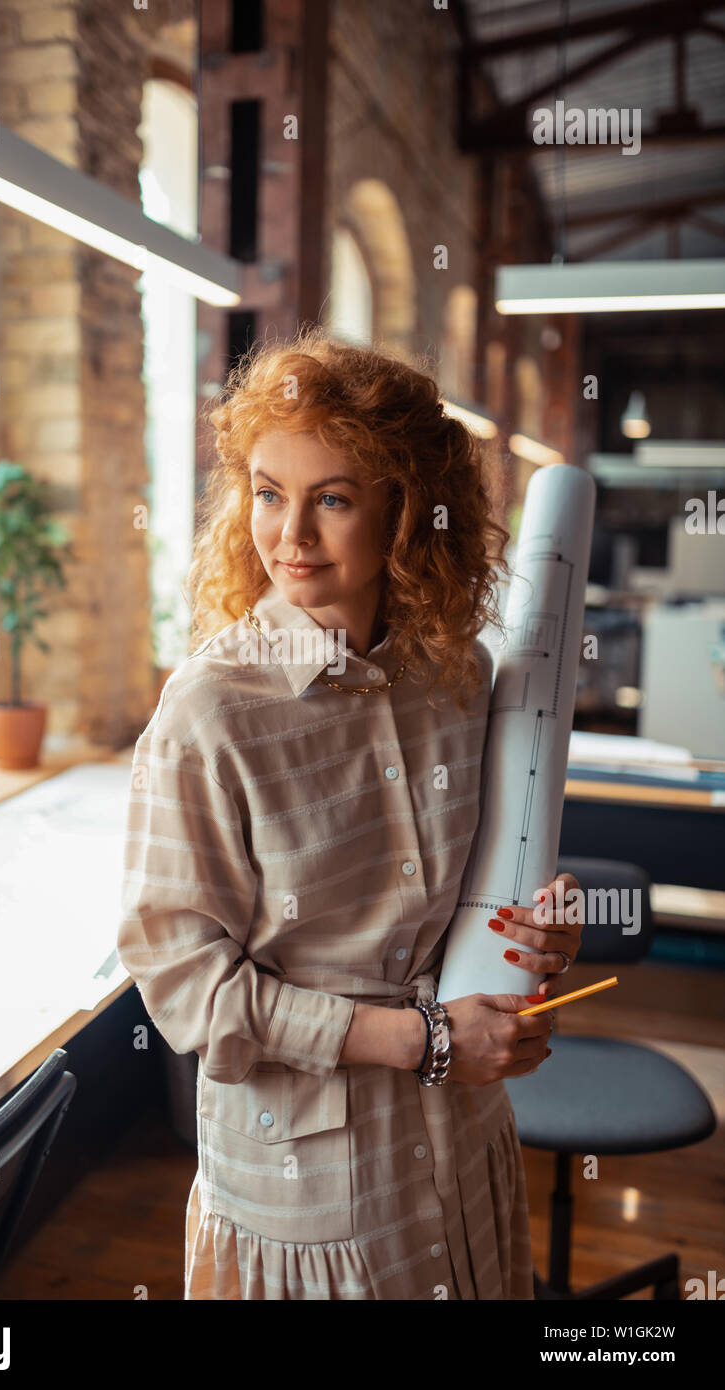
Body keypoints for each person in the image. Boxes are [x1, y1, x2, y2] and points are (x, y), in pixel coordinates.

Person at [116, 327, 583, 1300]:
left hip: (460, 1147)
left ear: (407, 509)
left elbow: (479, 893)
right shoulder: (210, 712)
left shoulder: (459, 675)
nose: (289, 536)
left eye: (330, 498)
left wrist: (533, 934)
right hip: (317, 1190)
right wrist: (429, 1041)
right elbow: (188, 990)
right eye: (267, 492)